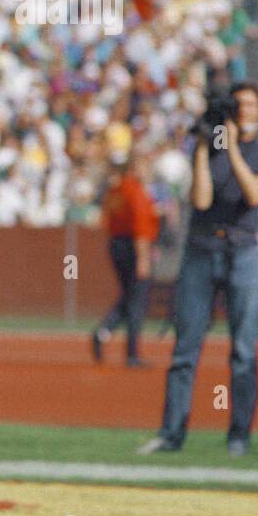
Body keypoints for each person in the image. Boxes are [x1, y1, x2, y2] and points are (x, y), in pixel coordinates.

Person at [139, 82, 258, 457]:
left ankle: (238, 436)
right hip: (201, 249)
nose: (241, 111)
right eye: (236, 105)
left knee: (244, 350)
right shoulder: (208, 149)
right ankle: (171, 433)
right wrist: (203, 145)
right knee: (185, 348)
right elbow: (200, 199)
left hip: (243, 251)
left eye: (248, 105)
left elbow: (255, 195)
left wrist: (230, 147)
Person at [91, 152, 159, 367]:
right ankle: (132, 352)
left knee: (129, 297)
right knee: (136, 300)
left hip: (117, 244)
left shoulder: (115, 190)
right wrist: (143, 258)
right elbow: (140, 227)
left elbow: (107, 219)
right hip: (133, 246)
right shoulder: (135, 190)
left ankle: (104, 331)